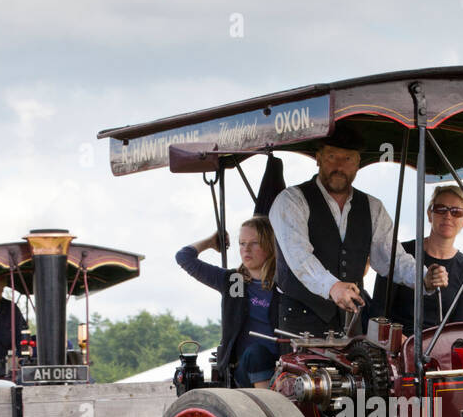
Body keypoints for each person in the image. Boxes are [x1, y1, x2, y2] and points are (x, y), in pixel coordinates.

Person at [270, 123, 444, 337]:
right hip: (301, 320)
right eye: (332, 156)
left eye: (348, 159)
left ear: (357, 163)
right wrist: (333, 287)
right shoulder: (291, 200)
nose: (339, 166)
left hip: (350, 322)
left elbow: (390, 258)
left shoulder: (372, 207)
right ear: (318, 158)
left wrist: (423, 278)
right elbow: (299, 257)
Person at [176, 217, 281, 387]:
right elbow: (183, 257)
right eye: (241, 243)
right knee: (256, 353)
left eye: (254, 243)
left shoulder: (283, 284)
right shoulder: (235, 282)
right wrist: (210, 242)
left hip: (283, 370)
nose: (246, 249)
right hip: (244, 372)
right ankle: (269, 406)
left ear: (269, 245)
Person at [367, 183, 463, 332]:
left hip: (440, 351)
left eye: (456, 212)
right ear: (429, 214)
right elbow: (379, 313)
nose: (447, 216)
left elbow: (461, 330)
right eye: (441, 209)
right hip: (394, 345)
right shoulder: (399, 254)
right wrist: (400, 342)